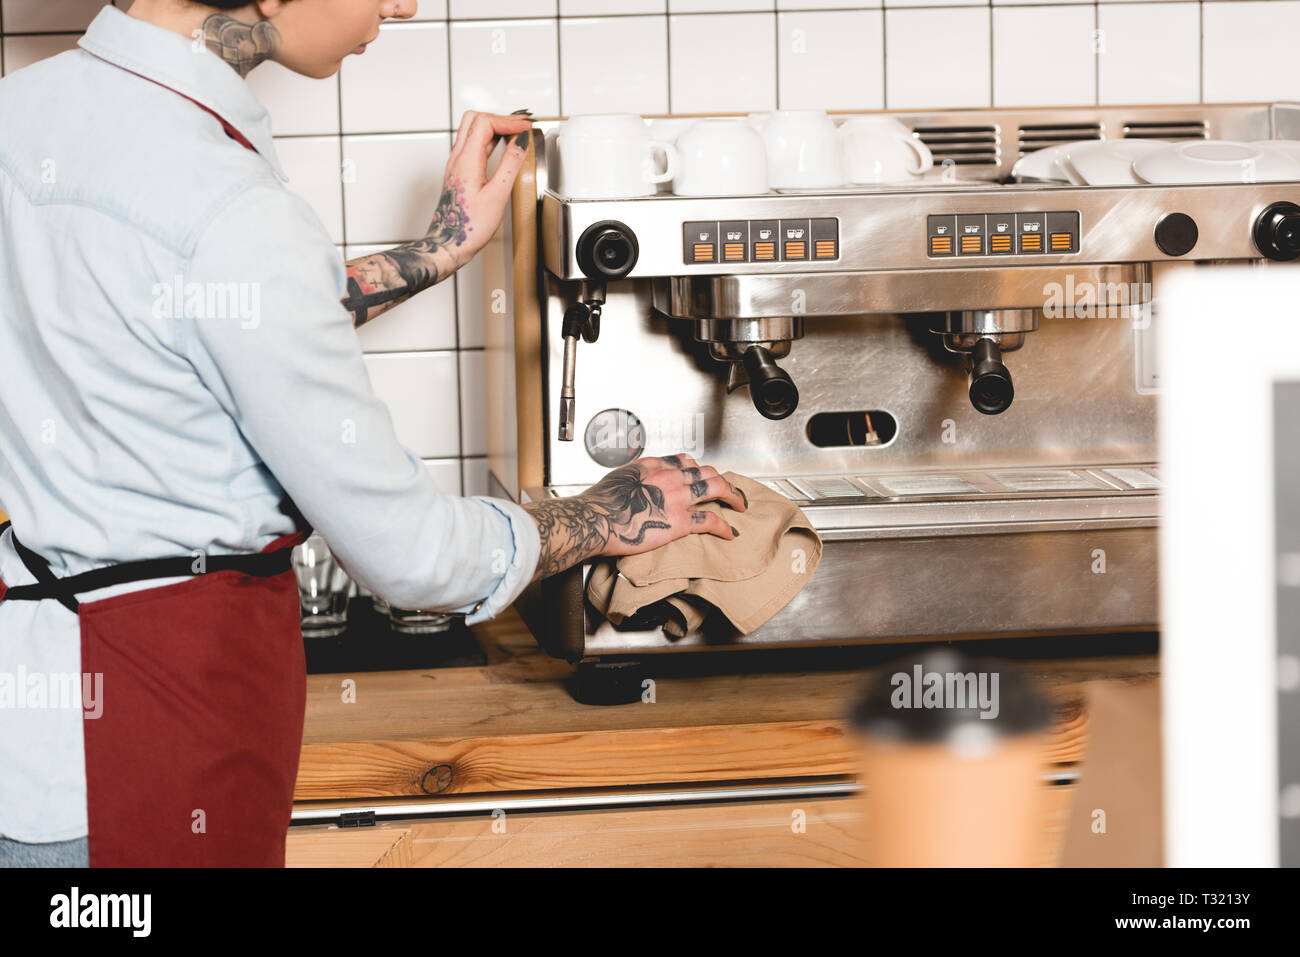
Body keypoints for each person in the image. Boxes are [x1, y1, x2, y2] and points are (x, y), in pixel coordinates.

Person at [0, 0, 745, 868]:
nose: (402, 3)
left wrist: (437, 249)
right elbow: (415, 557)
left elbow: (177, 308)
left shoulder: (25, 112)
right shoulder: (230, 207)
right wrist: (602, 514)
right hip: (150, 755)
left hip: (33, 745)